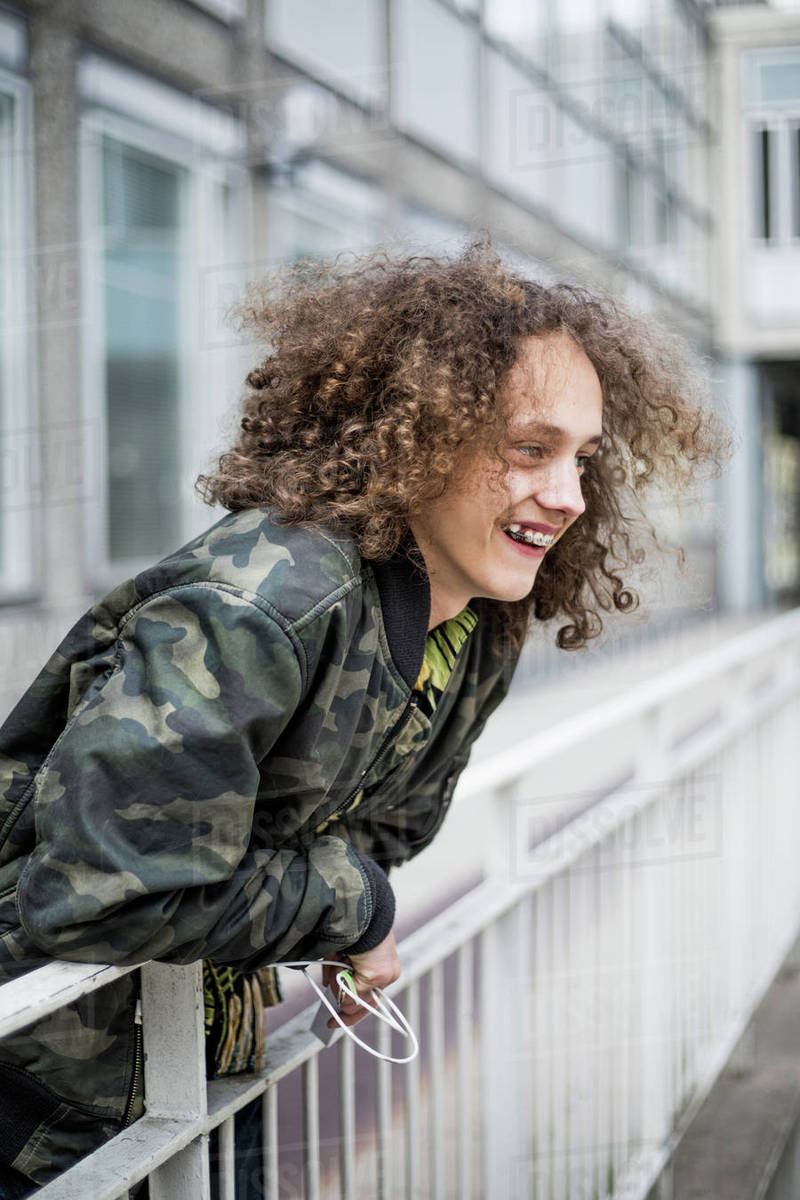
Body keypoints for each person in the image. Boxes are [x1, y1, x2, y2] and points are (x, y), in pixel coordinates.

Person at [0, 237, 725, 1196]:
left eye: (582, 458)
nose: (566, 497)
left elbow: (389, 829)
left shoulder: (475, 617)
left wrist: (319, 888)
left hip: (202, 1063)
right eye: (528, 448)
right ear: (415, 432)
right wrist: (353, 907)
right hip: (39, 1105)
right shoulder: (258, 605)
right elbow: (106, 894)